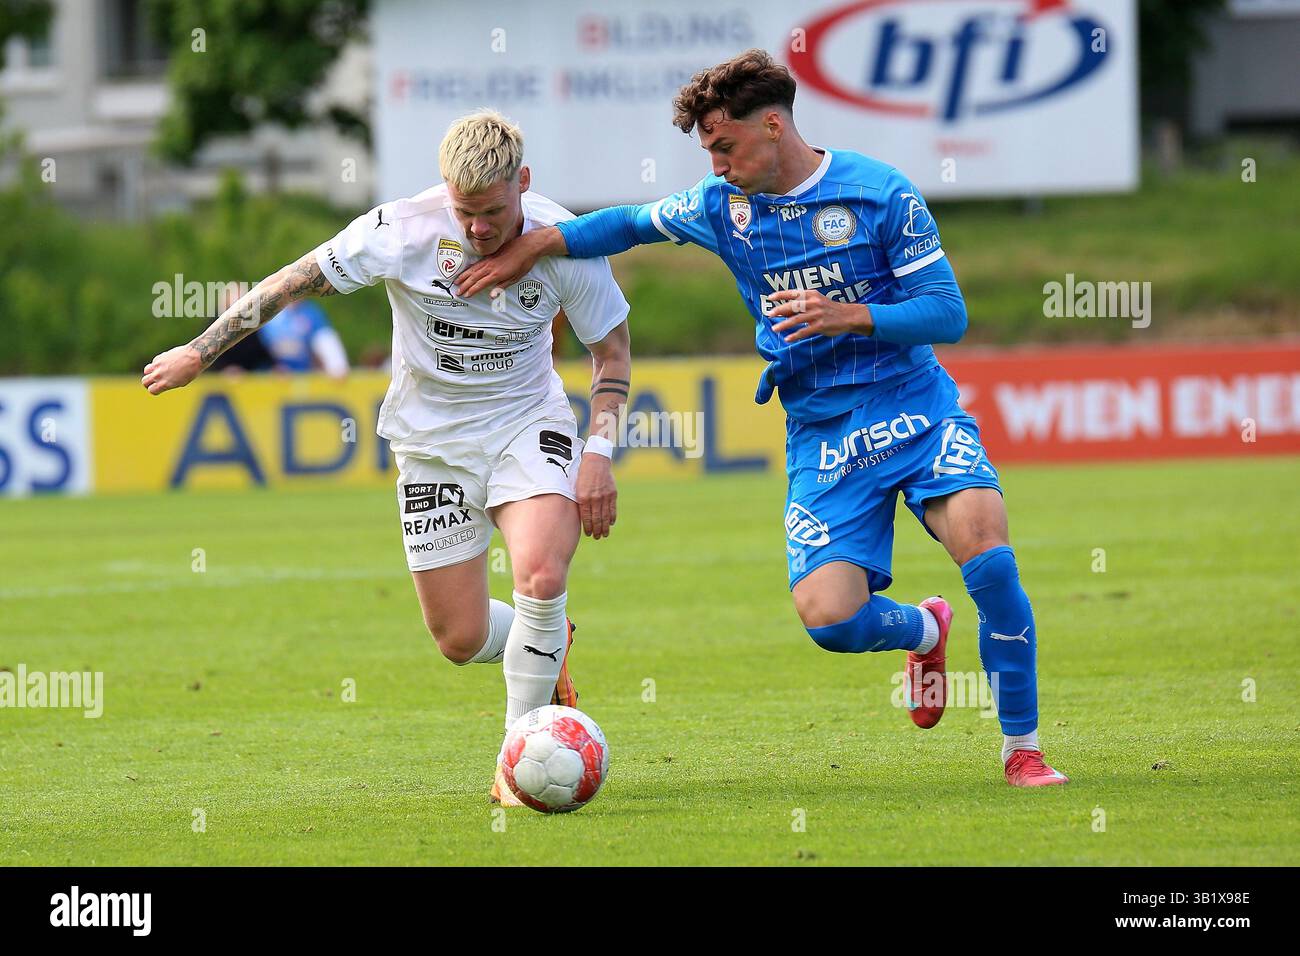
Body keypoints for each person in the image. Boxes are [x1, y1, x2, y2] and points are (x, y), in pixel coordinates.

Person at [455, 51, 1067, 787]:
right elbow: (626, 225)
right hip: (823, 433)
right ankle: (925, 628)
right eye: (706, 150)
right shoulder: (724, 210)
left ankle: (1022, 749)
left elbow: (949, 313)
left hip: (914, 407)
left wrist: (849, 315)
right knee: (832, 620)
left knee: (990, 556)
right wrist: (534, 246)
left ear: (772, 125)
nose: (714, 164)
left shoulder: (879, 194)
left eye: (724, 145)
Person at [142, 110, 633, 805]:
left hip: (529, 424)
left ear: (523, 183)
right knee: (459, 638)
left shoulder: (568, 246)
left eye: (494, 211)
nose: (480, 229)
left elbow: (610, 352)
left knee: (542, 573)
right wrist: (200, 351)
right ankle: (546, 644)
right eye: (466, 212)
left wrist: (599, 451)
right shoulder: (400, 230)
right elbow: (293, 280)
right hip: (429, 444)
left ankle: (516, 758)